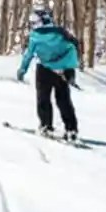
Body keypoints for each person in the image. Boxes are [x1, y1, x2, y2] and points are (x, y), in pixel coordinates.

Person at [17, 8, 81, 141]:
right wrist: (71, 68)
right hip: (62, 70)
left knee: (43, 99)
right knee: (63, 100)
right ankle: (71, 129)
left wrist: (22, 70)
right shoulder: (61, 32)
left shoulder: (34, 36)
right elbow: (73, 46)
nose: (32, 25)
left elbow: (28, 54)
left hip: (44, 69)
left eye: (33, 22)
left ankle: (46, 126)